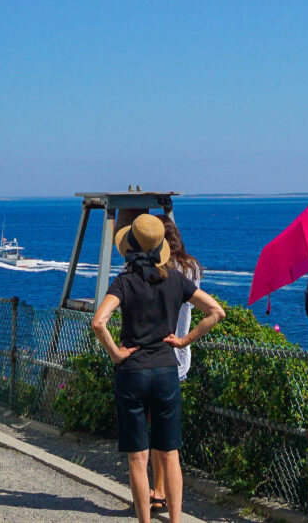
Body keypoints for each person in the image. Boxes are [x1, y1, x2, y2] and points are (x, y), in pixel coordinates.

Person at [91, 213, 225, 523]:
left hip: (133, 372)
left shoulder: (124, 282)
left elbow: (99, 322)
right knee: (170, 454)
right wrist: (184, 340)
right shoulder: (176, 279)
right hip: (166, 370)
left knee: (138, 460)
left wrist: (116, 353)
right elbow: (216, 312)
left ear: (130, 246)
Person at [148, 217, 204, 514]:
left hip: (155, 354)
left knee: (159, 434)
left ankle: (159, 491)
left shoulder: (160, 271)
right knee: (166, 433)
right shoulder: (192, 269)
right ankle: (163, 494)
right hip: (180, 354)